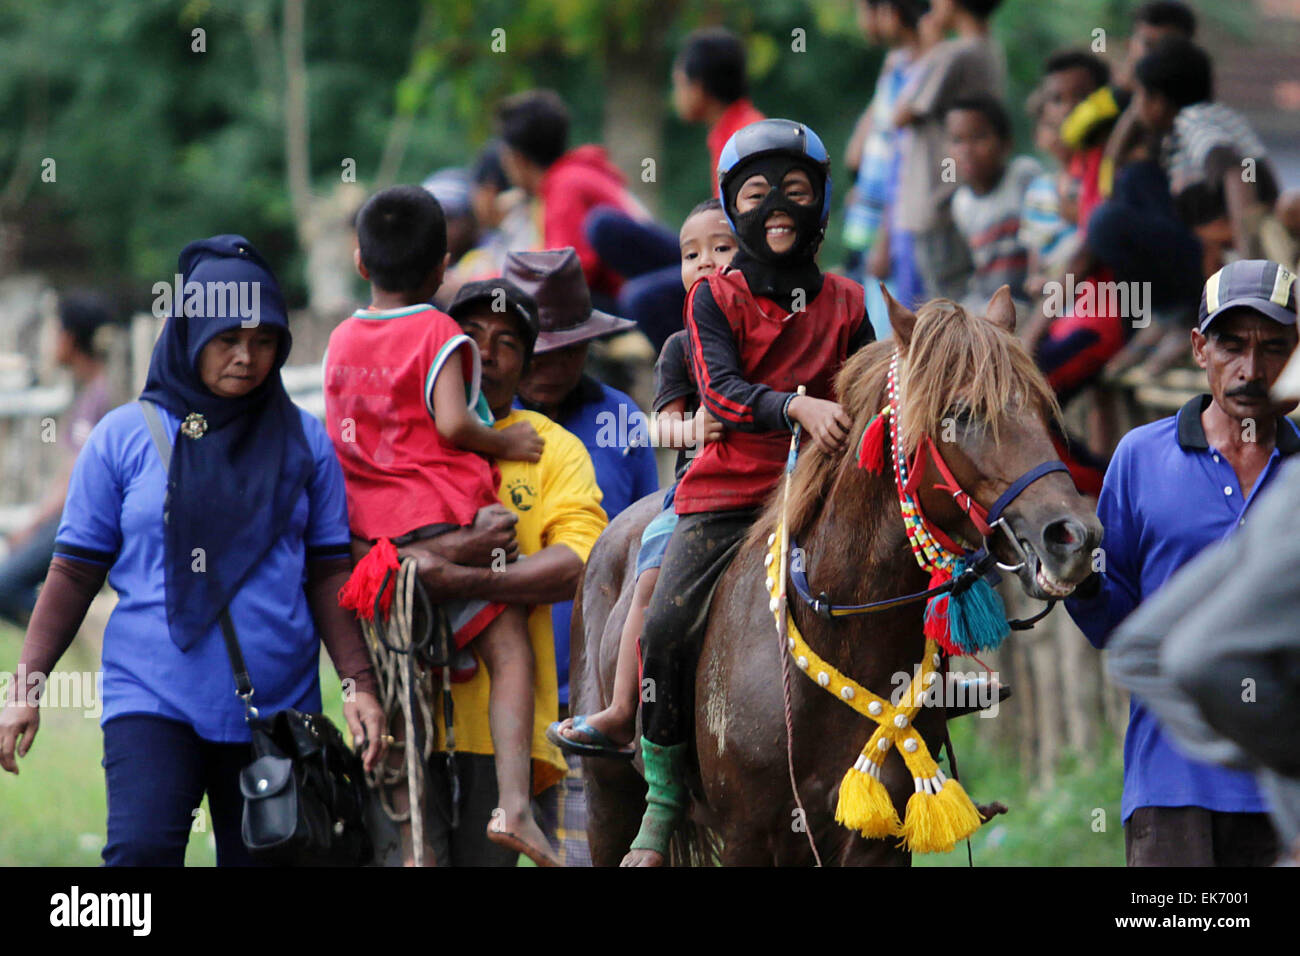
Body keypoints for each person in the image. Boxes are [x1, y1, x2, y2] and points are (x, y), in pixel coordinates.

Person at [0, 235, 386, 865]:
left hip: (275, 704)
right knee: (140, 857)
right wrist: (27, 686)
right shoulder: (123, 439)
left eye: (264, 342)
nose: (247, 358)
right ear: (189, 333)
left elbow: (326, 573)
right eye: (227, 339)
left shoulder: (304, 444)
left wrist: (359, 684)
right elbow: (71, 573)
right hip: (150, 695)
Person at [623, 119, 877, 866]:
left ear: (821, 207)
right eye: (760, 193)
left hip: (825, 493)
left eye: (795, 192)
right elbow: (724, 395)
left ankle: (920, 762)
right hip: (731, 494)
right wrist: (795, 405)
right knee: (666, 625)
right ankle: (665, 793)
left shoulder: (851, 301)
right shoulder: (714, 301)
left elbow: (866, 394)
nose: (779, 209)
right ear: (736, 207)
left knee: (904, 580)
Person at [322, 185, 559, 867]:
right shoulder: (438, 334)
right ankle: (515, 806)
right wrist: (504, 444)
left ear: (361, 260)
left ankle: (413, 844)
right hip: (445, 517)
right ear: (442, 268)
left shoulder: (342, 337)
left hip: (376, 546)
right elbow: (454, 422)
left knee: (404, 691)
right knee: (509, 651)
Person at [1064, 259, 1299, 866]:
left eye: (1275, 348)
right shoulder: (1141, 458)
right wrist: (1079, 584)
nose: (1251, 369)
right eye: (1231, 344)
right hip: (1172, 787)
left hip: (1289, 794)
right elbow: (1118, 628)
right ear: (1198, 348)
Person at [418, 277, 608, 866]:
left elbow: (578, 564)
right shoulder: (408, 440)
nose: (487, 354)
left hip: (497, 739)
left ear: (525, 366)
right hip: (409, 721)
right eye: (470, 336)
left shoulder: (551, 448)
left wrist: (467, 579)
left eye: (506, 343)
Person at [548, 198, 734, 758]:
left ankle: (932, 676)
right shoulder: (681, 347)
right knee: (651, 569)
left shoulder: (780, 334)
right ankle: (623, 708)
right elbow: (666, 425)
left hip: (786, 482)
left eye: (722, 249)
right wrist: (697, 426)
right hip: (706, 491)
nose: (705, 263)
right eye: (690, 254)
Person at [508, 247, 659, 864]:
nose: (550, 362)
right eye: (536, 347)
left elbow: (647, 548)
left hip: (588, 700)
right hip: (492, 698)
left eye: (566, 346)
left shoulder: (618, 420)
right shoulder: (473, 424)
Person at [0, 292, 114, 626]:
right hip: (69, 516)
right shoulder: (87, 393)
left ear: (69, 338)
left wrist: (33, 525)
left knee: (5, 584)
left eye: (55, 332)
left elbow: (77, 480)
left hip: (82, 519)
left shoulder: (99, 397)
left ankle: (76, 630)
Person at [892, 0, 1006, 302]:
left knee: (945, 306)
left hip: (936, 199)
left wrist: (930, 48)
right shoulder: (989, 48)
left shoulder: (952, 54)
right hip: (964, 195)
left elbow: (900, 114)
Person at [495, 90, 650, 309]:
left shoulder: (565, 186)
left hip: (626, 302)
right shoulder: (576, 174)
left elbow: (570, 275)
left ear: (516, 158)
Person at [842, 0, 924, 311]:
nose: (862, 20)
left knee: (888, 330)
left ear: (890, 11)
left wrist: (885, 238)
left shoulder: (917, 74)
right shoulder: (895, 66)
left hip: (888, 232)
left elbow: (905, 164)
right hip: (868, 219)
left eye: (865, 9)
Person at [946, 94, 1041, 313]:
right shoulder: (961, 203)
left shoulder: (1023, 176)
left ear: (1006, 143)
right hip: (986, 303)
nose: (966, 150)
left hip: (1028, 302)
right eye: (957, 141)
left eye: (979, 137)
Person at [671, 27, 766, 196]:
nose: (676, 94)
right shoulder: (735, 130)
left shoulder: (742, 140)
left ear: (698, 87)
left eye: (679, 84)